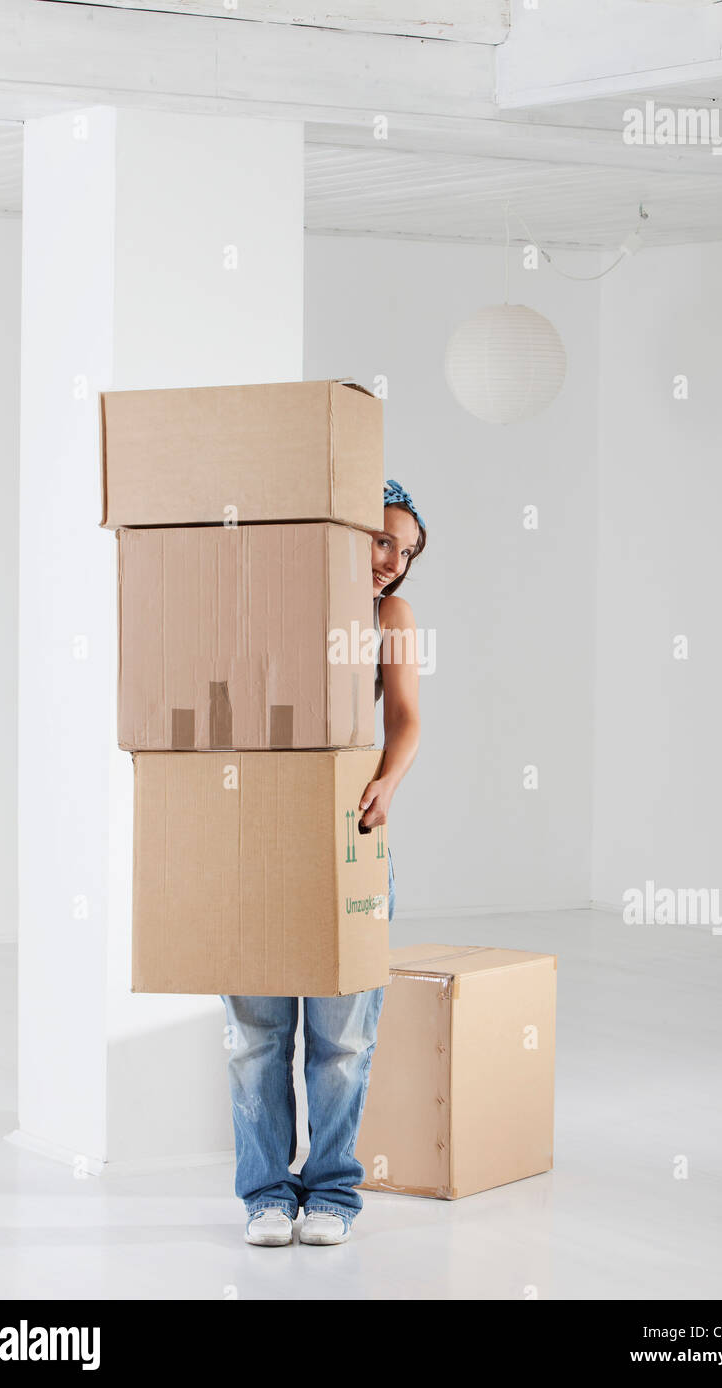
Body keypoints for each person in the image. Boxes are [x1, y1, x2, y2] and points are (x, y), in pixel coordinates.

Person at [220, 479, 426, 1247]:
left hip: (348, 841)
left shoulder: (389, 618)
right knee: (255, 1033)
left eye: (405, 552)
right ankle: (266, 1194)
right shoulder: (273, 602)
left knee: (343, 1037)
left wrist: (386, 782)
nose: (392, 562)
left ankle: (333, 1191)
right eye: (382, 540)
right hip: (256, 839)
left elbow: (405, 720)